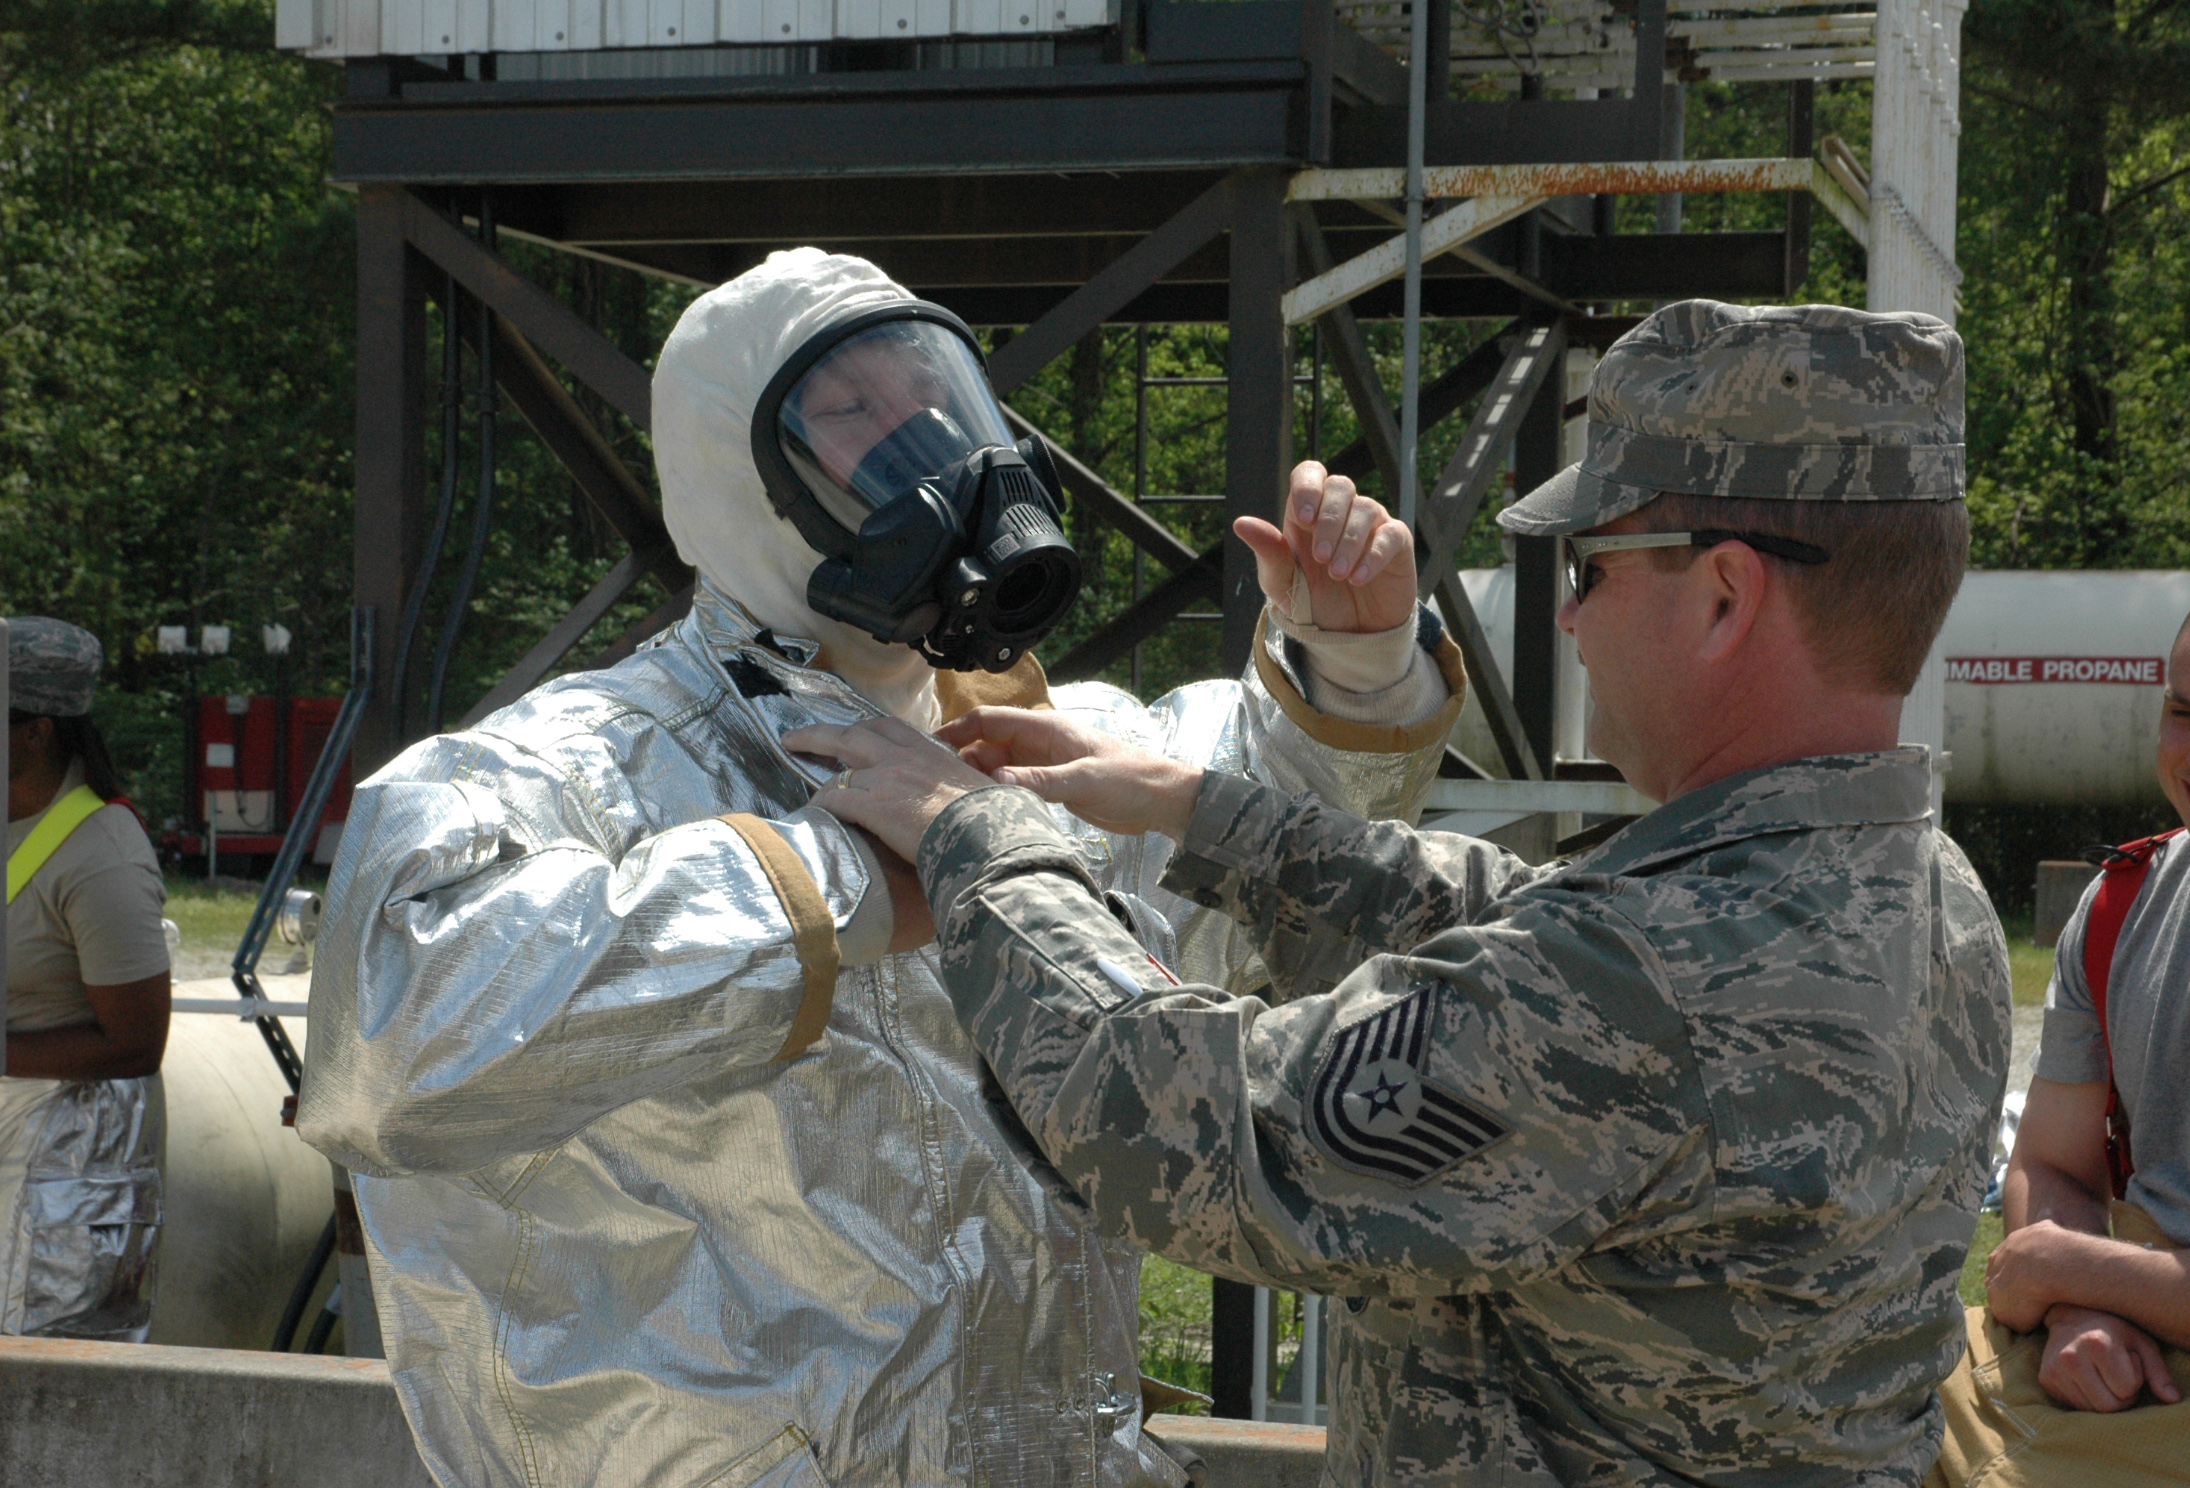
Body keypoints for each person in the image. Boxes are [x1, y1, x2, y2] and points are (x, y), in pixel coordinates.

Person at [295, 248, 1463, 1488]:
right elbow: (388, 1045)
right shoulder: (572, 773)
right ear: (732, 476)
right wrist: (822, 887)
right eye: (851, 412)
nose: (922, 446)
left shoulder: (1033, 750)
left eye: (935, 400)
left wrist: (1356, 663)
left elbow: (1268, 873)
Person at [797, 300, 2014, 1487]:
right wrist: (1196, 806)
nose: (1567, 616)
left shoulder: (1643, 986)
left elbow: (1161, 1120)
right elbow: (1519, 908)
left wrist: (976, 841)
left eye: (1589, 568)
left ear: (1723, 595)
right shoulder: (1919, 888)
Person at [1924, 574, 2190, 1486]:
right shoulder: (2119, 905)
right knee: (1848, 1408)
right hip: (2120, 1342)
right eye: (2185, 713)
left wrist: (2076, 1274)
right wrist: (2077, 1319)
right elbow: (2055, 1164)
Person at [4, 616, 170, 1340]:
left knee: (41, 1393)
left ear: (38, 731)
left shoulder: (101, 853)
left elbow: (135, 1045)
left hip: (60, 1171)